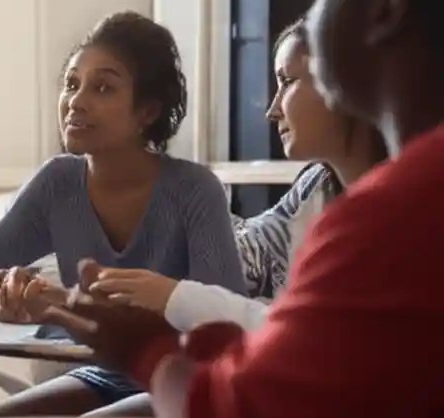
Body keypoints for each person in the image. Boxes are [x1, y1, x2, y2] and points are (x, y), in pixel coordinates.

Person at [44, 0, 444, 418]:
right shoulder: (339, 195)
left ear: (383, 8)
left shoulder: (400, 213)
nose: (309, 20)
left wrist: (147, 346)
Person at [0, 11, 246, 418]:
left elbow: (224, 327)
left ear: (147, 111)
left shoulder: (194, 190)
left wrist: (59, 304)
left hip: (183, 382)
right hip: (101, 377)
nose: (76, 101)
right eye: (72, 84)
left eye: (103, 87)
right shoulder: (58, 182)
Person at [88, 19, 387, 332]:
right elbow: (249, 250)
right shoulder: (318, 187)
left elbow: (318, 334)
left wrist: (174, 297)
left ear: (340, 85)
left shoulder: (406, 210)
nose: (273, 110)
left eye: (287, 81)